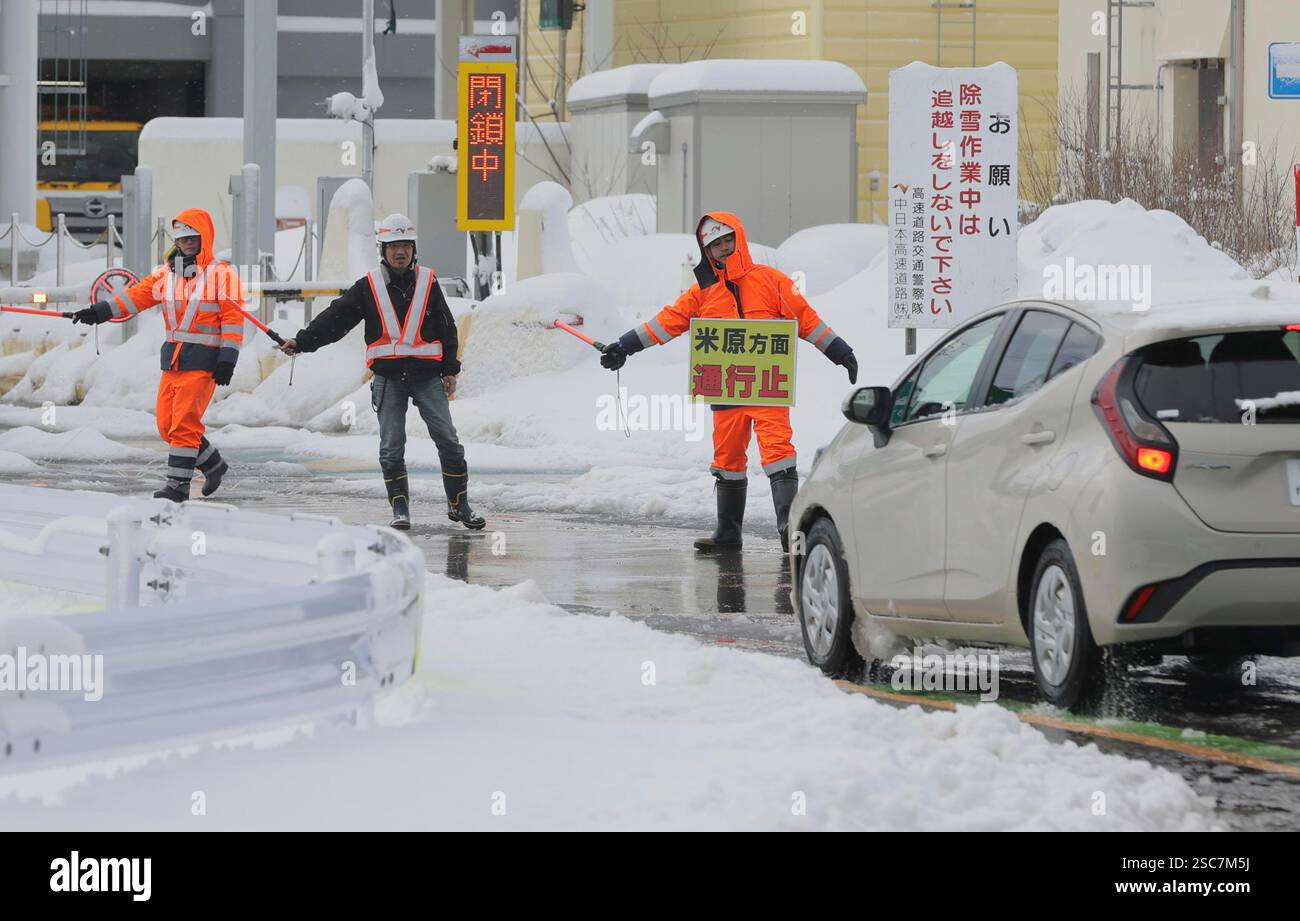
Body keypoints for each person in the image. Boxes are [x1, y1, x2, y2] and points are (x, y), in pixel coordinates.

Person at [599, 211, 858, 553]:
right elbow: (667, 322)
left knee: (778, 451)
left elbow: (806, 319)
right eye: (714, 244)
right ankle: (728, 533)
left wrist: (839, 351)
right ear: (705, 250)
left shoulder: (772, 280)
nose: (722, 248)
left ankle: (788, 528)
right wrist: (625, 346)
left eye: (727, 240)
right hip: (726, 386)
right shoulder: (702, 293)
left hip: (767, 387)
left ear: (739, 238)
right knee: (727, 457)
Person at [277, 214, 484, 532]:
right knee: (391, 446)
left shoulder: (428, 283)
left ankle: (460, 505)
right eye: (393, 247)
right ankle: (400, 509)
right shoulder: (368, 287)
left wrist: (450, 369)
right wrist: (302, 342)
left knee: (449, 441)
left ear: (413, 249)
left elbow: (447, 326)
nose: (399, 252)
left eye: (404, 246)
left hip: (428, 377)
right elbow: (336, 320)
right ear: (383, 251)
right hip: (388, 381)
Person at [73, 208, 242, 501]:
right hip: (175, 360)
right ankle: (214, 465)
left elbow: (232, 320)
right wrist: (99, 312)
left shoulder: (222, 275)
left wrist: (228, 359)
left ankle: (177, 487)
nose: (187, 242)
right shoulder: (166, 274)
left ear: (204, 238)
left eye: (193, 237)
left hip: (204, 363)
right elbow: (134, 297)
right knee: (167, 426)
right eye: (182, 238)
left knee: (185, 425)